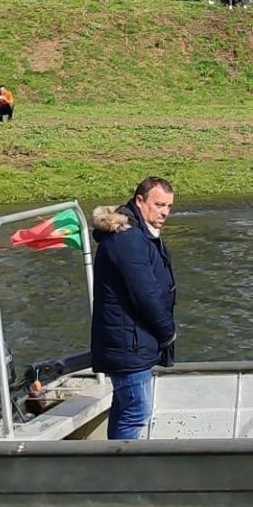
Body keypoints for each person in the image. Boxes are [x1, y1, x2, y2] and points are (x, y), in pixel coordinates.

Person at [91, 176, 179, 441]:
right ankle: (125, 464)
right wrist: (168, 333)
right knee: (136, 411)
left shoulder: (139, 233)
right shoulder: (128, 238)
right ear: (140, 201)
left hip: (132, 339)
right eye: (159, 205)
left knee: (125, 407)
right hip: (128, 342)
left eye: (169, 206)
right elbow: (145, 294)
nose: (164, 212)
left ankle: (115, 460)